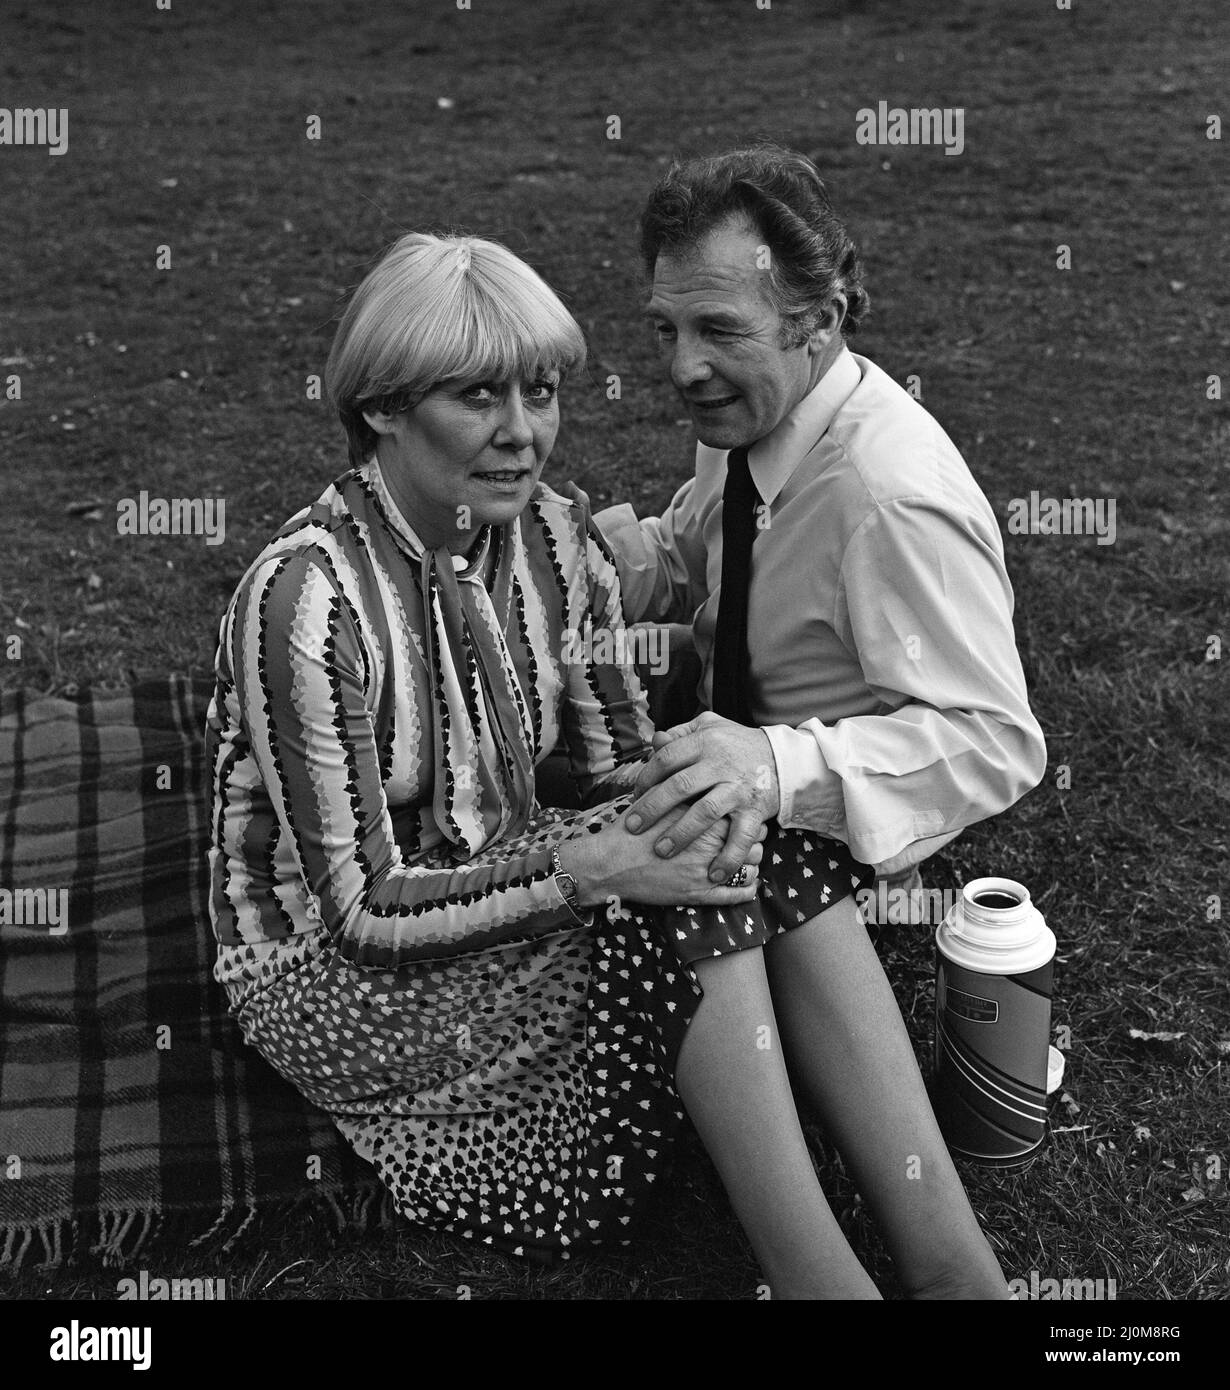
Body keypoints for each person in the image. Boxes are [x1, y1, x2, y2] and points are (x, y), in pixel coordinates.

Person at [205, 230, 1010, 1299]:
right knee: (677, 895)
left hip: (501, 864)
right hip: (334, 971)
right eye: (478, 397)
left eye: (541, 392)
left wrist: (701, 795)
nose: (522, 433)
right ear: (384, 408)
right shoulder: (304, 600)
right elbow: (359, 913)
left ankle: (956, 1269)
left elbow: (603, 763)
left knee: (743, 833)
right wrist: (594, 869)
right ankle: (823, 1282)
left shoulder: (555, 540)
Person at [594, 143, 1048, 913]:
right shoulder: (755, 410)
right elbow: (689, 546)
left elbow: (994, 742)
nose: (683, 368)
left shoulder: (891, 501)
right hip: (712, 746)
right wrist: (556, 551)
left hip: (811, 836)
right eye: (667, 330)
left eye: (718, 329)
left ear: (822, 321)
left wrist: (776, 766)